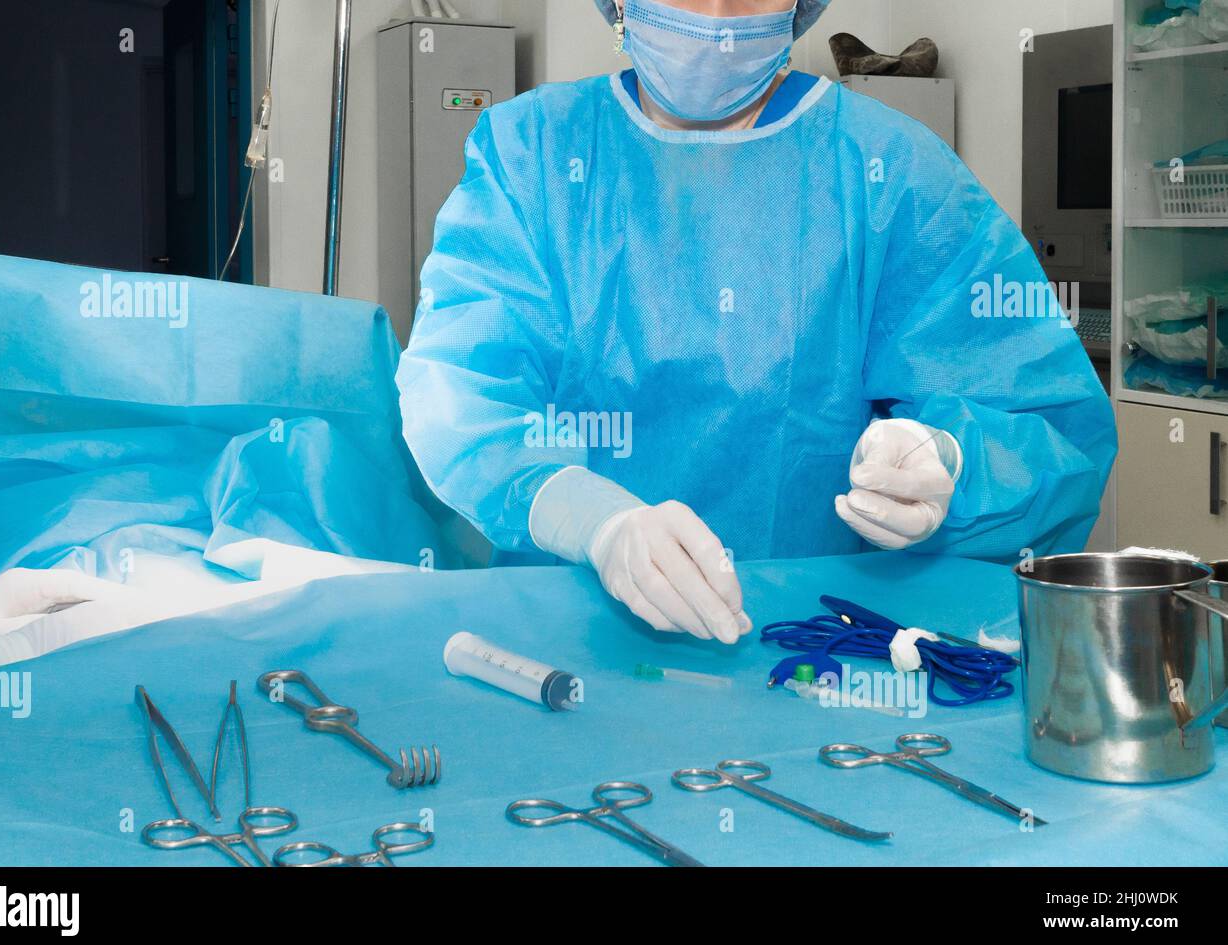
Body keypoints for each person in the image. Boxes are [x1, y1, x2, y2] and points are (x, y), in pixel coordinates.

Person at [395, 0, 1118, 645]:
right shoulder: (536, 155)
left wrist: (953, 464)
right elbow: (458, 391)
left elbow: (1049, 430)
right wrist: (591, 520)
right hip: (567, 643)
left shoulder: (891, 171)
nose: (712, 14)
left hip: (812, 653)